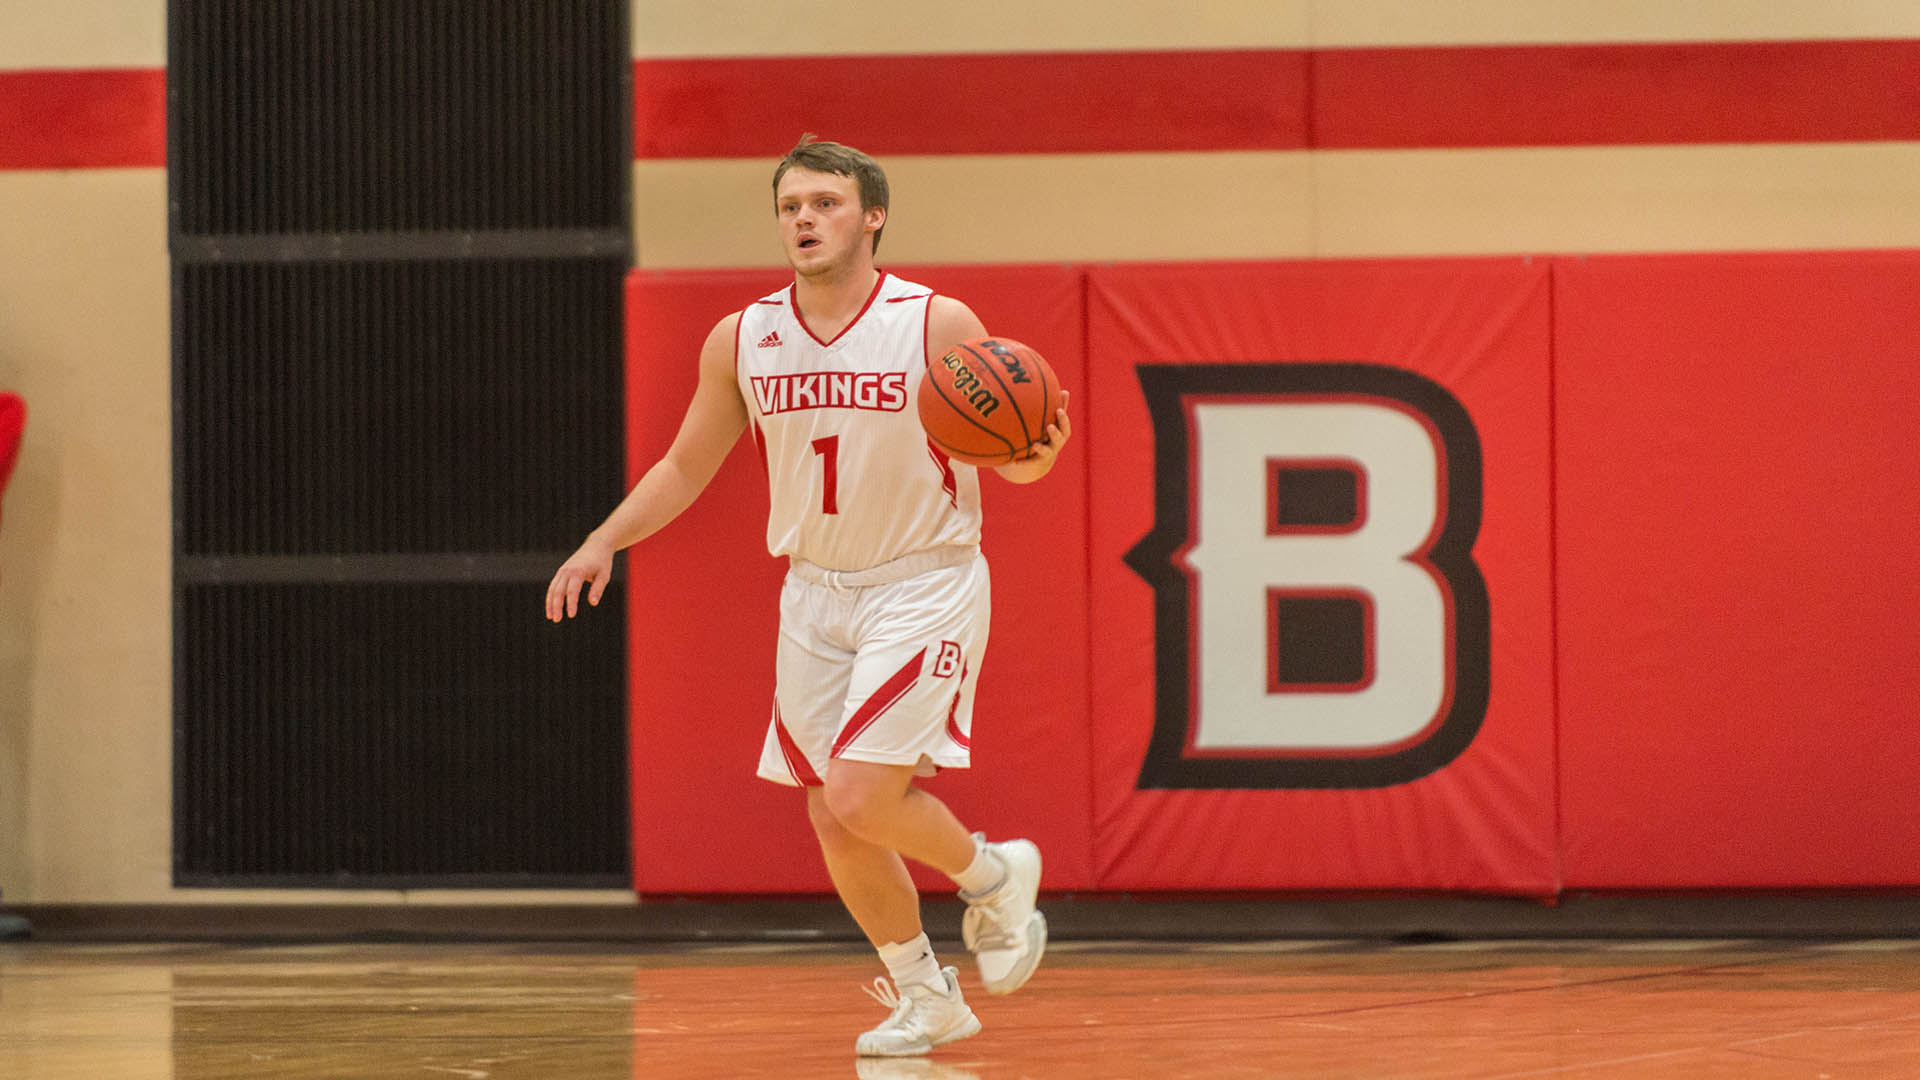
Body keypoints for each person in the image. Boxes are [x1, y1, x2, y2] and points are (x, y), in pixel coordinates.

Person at [546, 135, 1070, 1057]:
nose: (804, 219)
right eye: (791, 205)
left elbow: (1013, 455)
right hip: (815, 593)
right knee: (830, 809)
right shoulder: (743, 337)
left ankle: (994, 876)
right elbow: (683, 465)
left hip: (924, 578)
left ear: (872, 215)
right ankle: (926, 993)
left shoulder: (936, 322)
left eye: (825, 202)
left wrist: (1040, 455)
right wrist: (603, 540)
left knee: (864, 795)